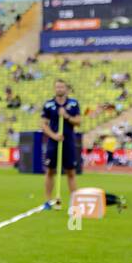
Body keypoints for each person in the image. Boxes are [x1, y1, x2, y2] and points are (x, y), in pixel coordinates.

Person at [41, 78, 81, 207]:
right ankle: (48, 200)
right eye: (57, 87)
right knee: (50, 171)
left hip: (68, 141)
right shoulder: (48, 105)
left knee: (71, 172)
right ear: (55, 89)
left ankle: (74, 201)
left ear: (66, 89)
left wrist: (66, 116)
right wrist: (54, 135)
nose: (59, 89)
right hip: (53, 143)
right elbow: (43, 125)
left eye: (62, 87)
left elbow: (79, 121)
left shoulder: (74, 104)